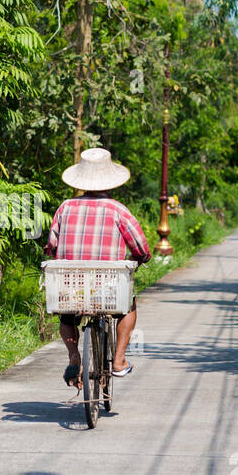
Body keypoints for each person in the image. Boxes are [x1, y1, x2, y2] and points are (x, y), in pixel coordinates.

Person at [43, 148, 151, 388]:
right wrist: (141, 258)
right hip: (108, 289)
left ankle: (73, 355)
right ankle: (120, 361)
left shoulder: (65, 207)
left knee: (67, 314)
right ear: (110, 182)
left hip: (71, 288)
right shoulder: (118, 210)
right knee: (128, 306)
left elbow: (51, 245)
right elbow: (141, 247)